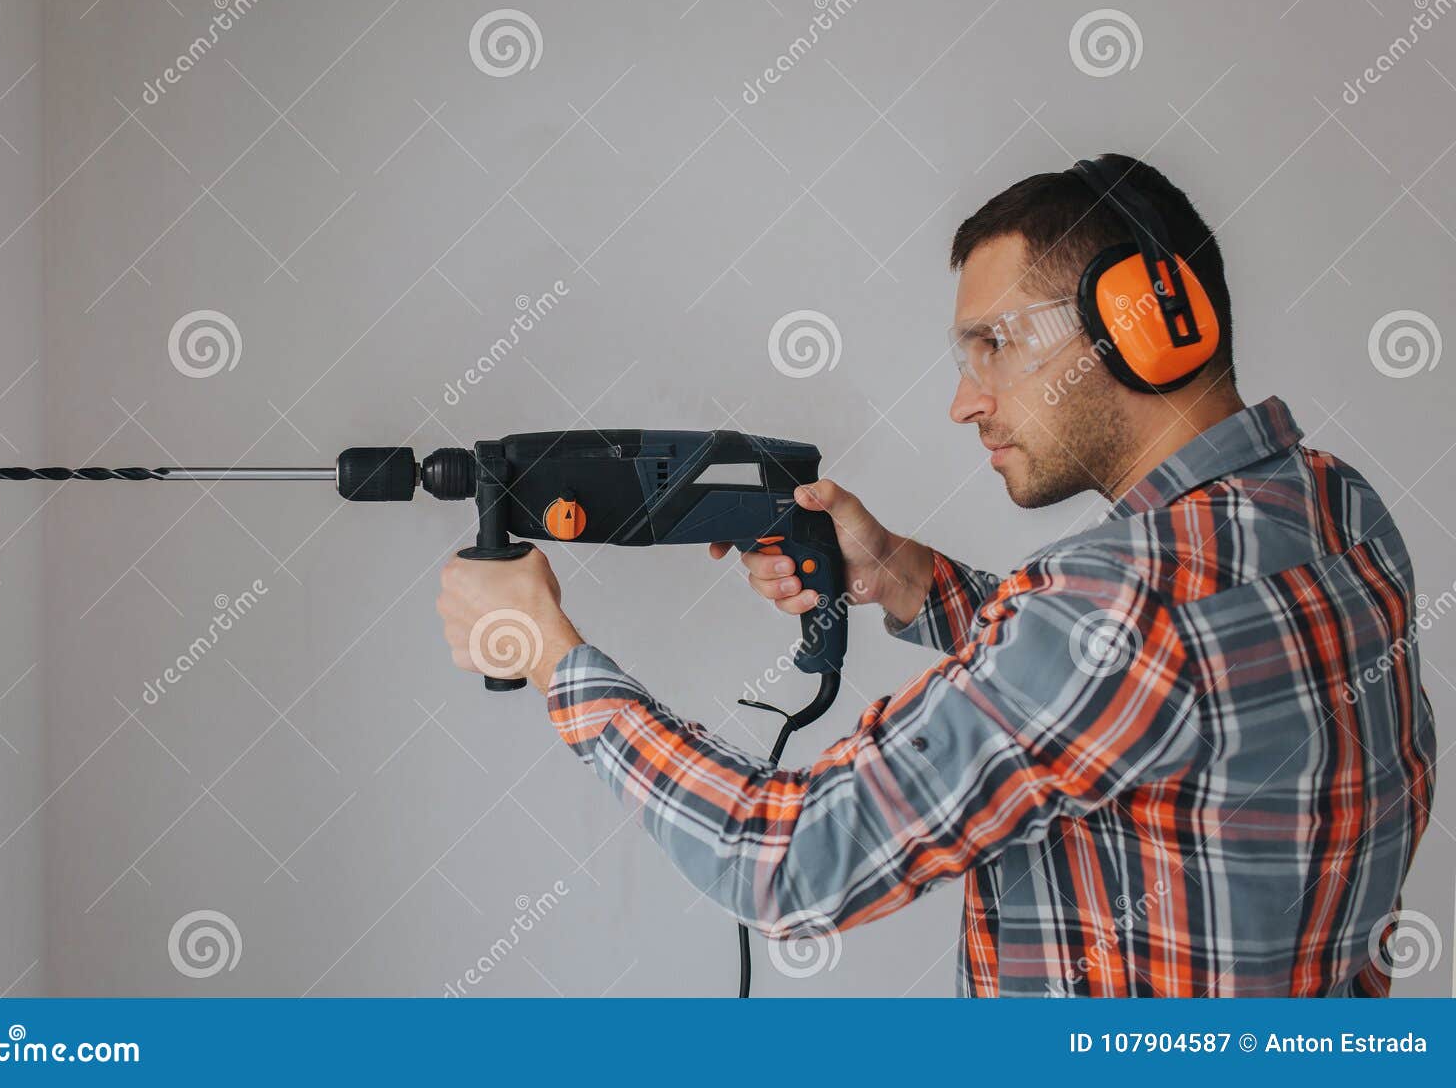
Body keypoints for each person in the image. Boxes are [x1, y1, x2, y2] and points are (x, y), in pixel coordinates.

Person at [434, 154, 1436, 996]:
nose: (965, 402)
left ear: (1137, 320)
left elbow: (782, 863)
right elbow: (1146, 704)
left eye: (992, 346)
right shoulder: (1331, 506)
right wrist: (908, 579)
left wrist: (552, 656)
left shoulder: (1121, 607)